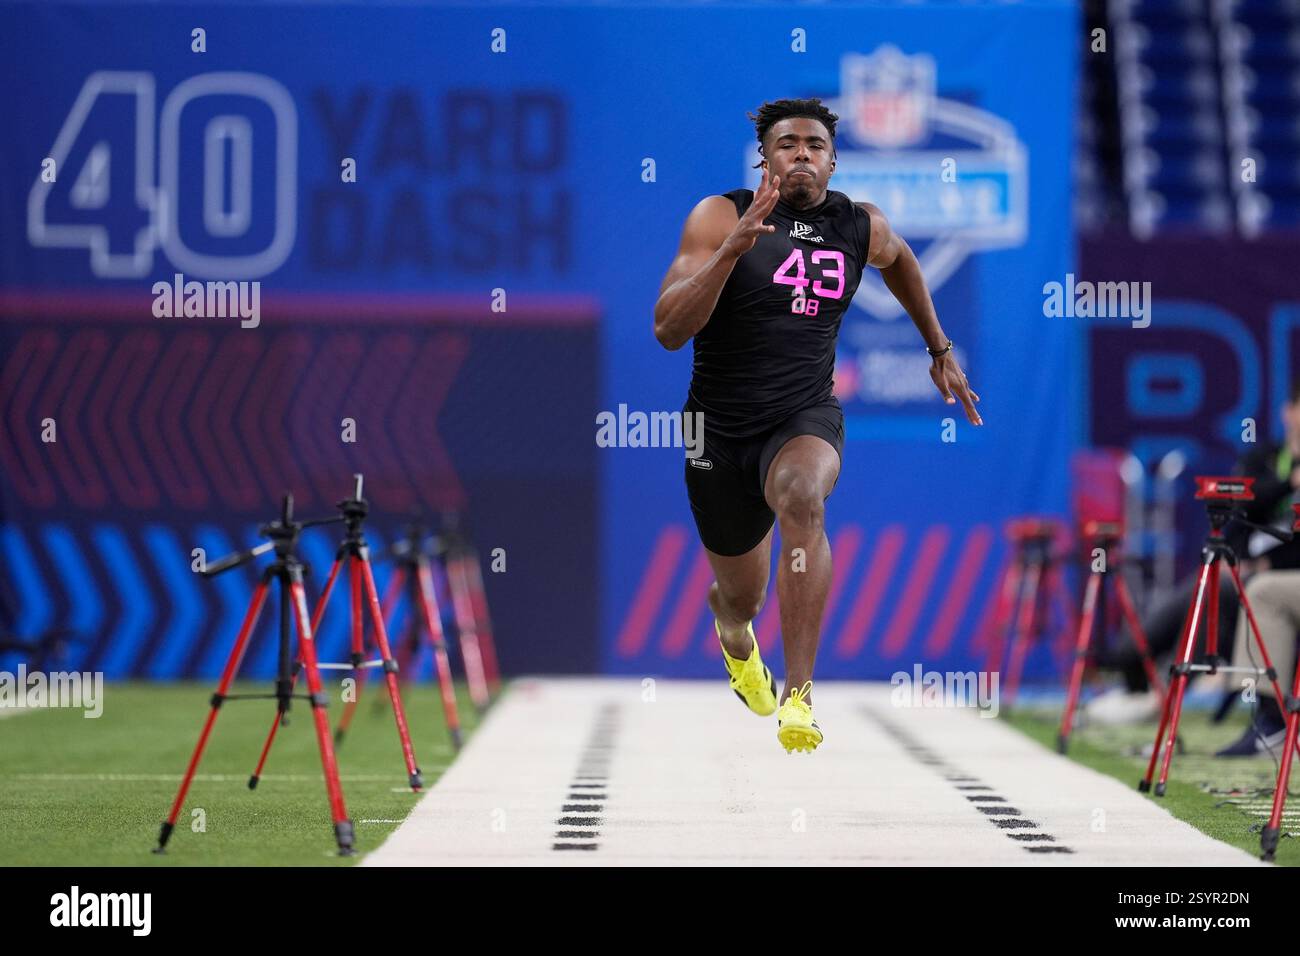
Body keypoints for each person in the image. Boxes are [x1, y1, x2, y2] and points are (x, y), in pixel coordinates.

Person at [652, 98, 981, 752]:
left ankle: (799, 696)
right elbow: (667, 329)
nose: (800, 153)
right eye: (785, 144)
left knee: (804, 496)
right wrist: (730, 251)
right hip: (713, 431)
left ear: (832, 162)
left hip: (803, 415)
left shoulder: (859, 225)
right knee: (739, 597)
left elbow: (904, 263)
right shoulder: (719, 215)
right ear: (764, 159)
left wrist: (939, 350)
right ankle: (735, 638)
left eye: (813, 145)